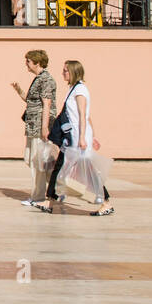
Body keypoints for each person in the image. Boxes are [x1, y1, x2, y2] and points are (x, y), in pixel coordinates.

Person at [43, 59, 114, 216]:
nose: (63, 73)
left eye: (65, 70)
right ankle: (51, 200)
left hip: (78, 137)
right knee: (62, 166)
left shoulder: (80, 90)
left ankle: (106, 202)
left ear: (73, 71)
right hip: (73, 136)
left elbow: (83, 115)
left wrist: (84, 138)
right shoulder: (73, 89)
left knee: (89, 172)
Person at [10, 49, 55, 208]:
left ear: (37, 62)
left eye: (28, 61)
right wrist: (19, 90)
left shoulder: (46, 80)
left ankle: (38, 196)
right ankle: (55, 188)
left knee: (38, 162)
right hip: (32, 125)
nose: (26, 64)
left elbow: (47, 104)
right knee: (32, 159)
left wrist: (44, 128)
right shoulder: (38, 79)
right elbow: (30, 101)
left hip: (38, 127)